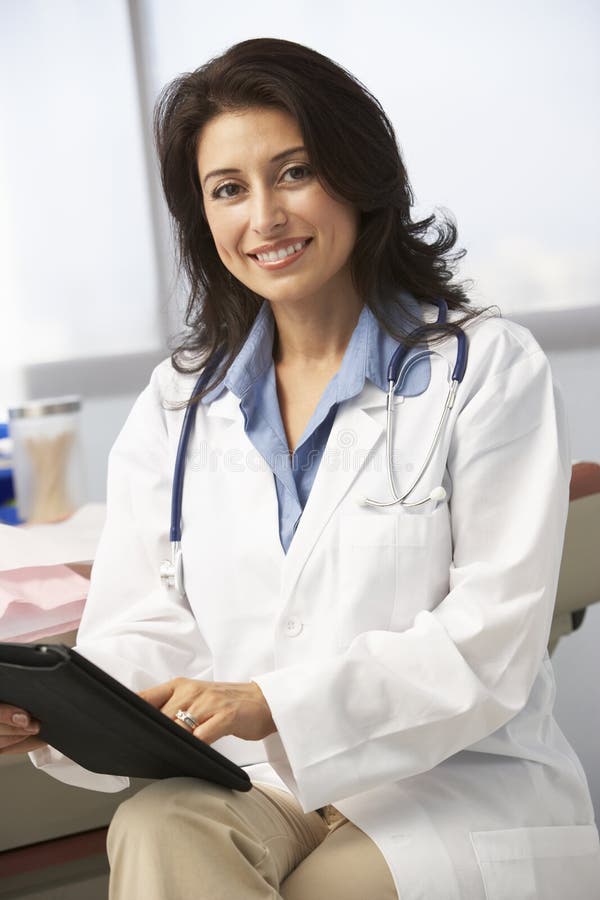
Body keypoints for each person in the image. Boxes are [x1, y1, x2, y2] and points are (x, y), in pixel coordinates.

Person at [1, 37, 599, 899]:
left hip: (449, 784)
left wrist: (274, 702)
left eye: (294, 172)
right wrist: (56, 718)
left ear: (359, 177)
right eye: (229, 190)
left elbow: (490, 640)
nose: (265, 218)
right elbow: (144, 626)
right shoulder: (178, 404)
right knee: (154, 823)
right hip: (260, 781)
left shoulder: (488, 368)